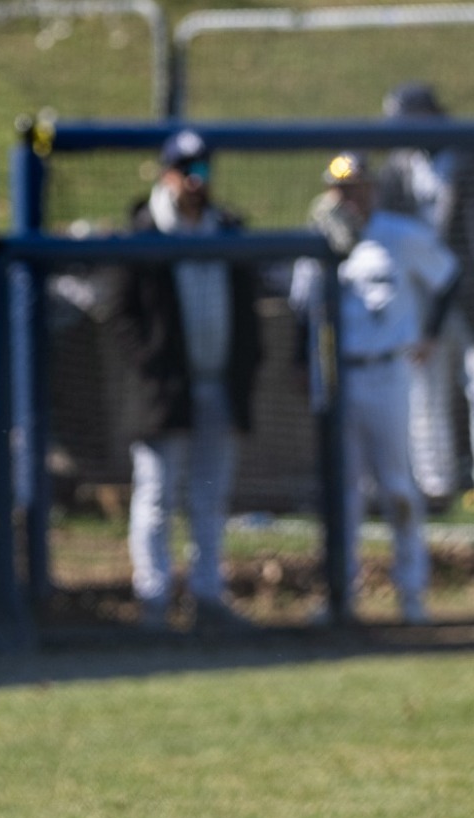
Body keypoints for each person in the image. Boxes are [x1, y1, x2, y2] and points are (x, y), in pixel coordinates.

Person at [293, 152, 460, 625]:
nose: (347, 198)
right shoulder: (319, 236)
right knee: (343, 492)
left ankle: (412, 595)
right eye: (339, 189)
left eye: (356, 188)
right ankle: (339, 598)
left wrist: (429, 333)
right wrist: (298, 364)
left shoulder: (399, 236)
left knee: (396, 486)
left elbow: (447, 276)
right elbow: (301, 307)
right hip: (337, 375)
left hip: (388, 372)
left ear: (372, 190)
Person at [115, 130, 263, 631]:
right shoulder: (143, 232)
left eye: (203, 170)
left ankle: (207, 596)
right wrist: (151, 364)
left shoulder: (226, 229)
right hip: (163, 392)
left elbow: (249, 309)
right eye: (186, 171)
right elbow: (120, 313)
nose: (197, 181)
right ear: (166, 173)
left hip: (217, 384)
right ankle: (153, 598)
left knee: (209, 495)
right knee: (156, 494)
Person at [378, 81, 474, 504]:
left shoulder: (466, 155)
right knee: (425, 386)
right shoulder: (399, 167)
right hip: (422, 294)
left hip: (468, 289)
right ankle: (438, 486)